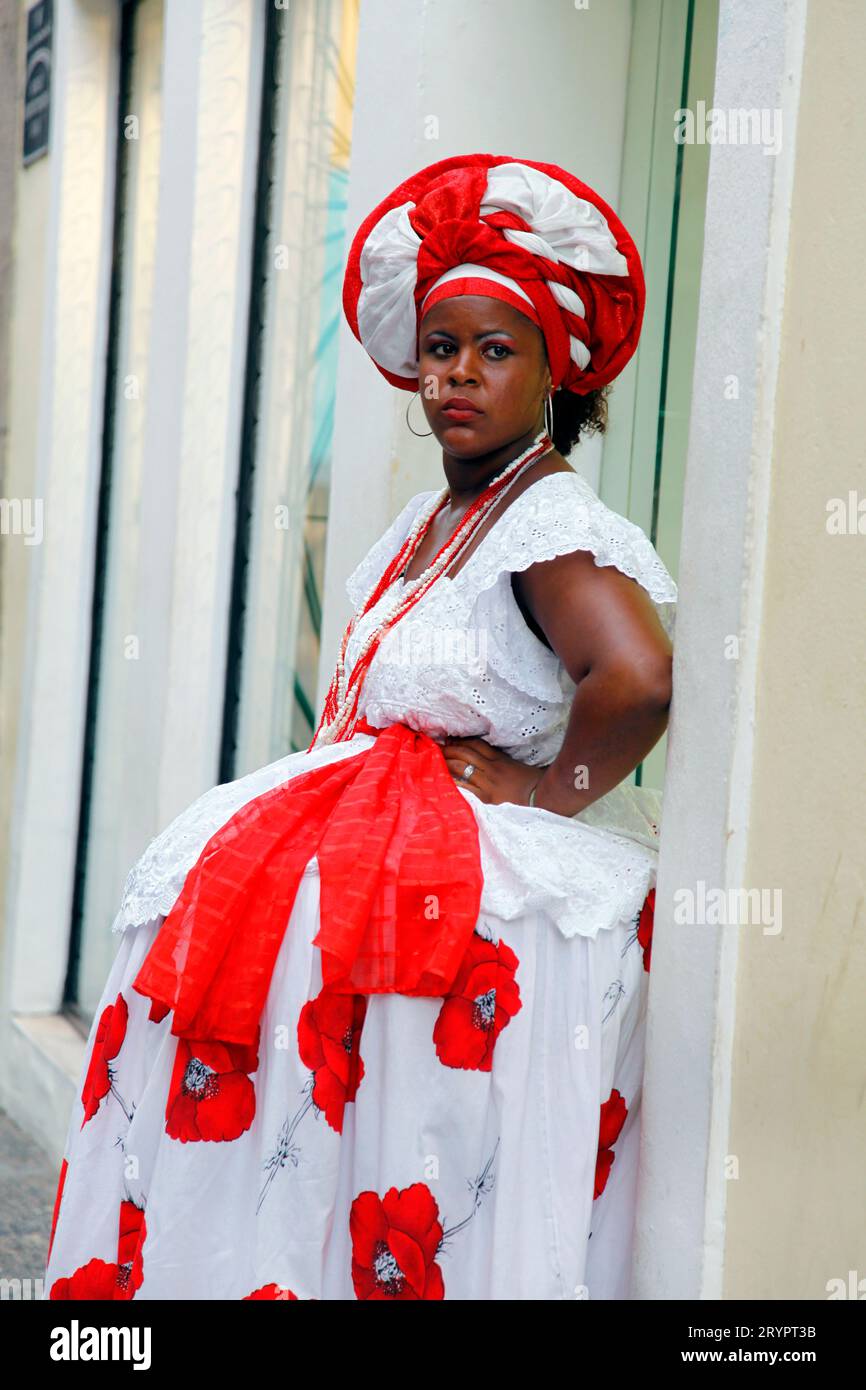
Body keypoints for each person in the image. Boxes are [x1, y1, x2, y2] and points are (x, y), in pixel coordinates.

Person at [43, 153, 676, 1301]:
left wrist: (537, 796)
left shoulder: (548, 519)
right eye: (442, 350)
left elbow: (632, 678)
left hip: (489, 894)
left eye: (496, 351)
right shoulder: (441, 512)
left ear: (553, 374)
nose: (458, 378)